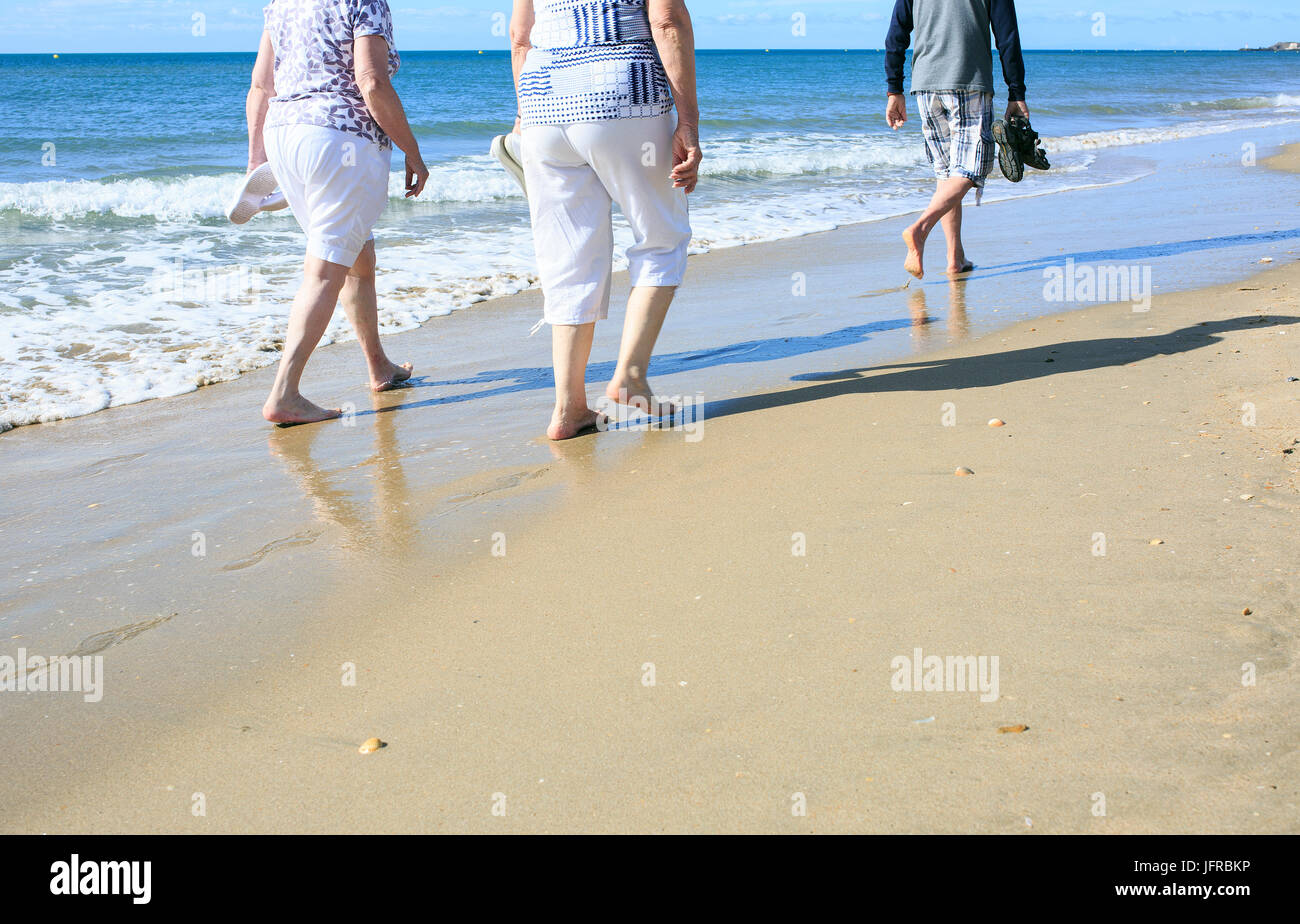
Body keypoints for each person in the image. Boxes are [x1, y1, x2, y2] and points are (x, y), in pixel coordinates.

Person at [510, 0, 702, 440]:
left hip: (542, 101)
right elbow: (667, 20)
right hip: (622, 93)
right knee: (661, 237)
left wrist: (526, 116)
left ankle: (568, 407)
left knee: (568, 254)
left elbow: (521, 37)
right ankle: (630, 378)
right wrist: (687, 121)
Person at [245, 0, 430, 425]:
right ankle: (284, 394)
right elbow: (371, 81)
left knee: (357, 256)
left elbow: (261, 86)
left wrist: (257, 161)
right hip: (338, 139)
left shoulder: (282, 3)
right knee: (325, 269)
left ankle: (378, 366)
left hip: (284, 136)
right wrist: (413, 152)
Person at [884, 0, 1028, 279]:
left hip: (925, 85)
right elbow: (1007, 36)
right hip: (968, 80)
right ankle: (920, 229)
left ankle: (954, 258)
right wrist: (1017, 92)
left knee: (949, 174)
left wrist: (894, 90)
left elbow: (896, 33)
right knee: (973, 168)